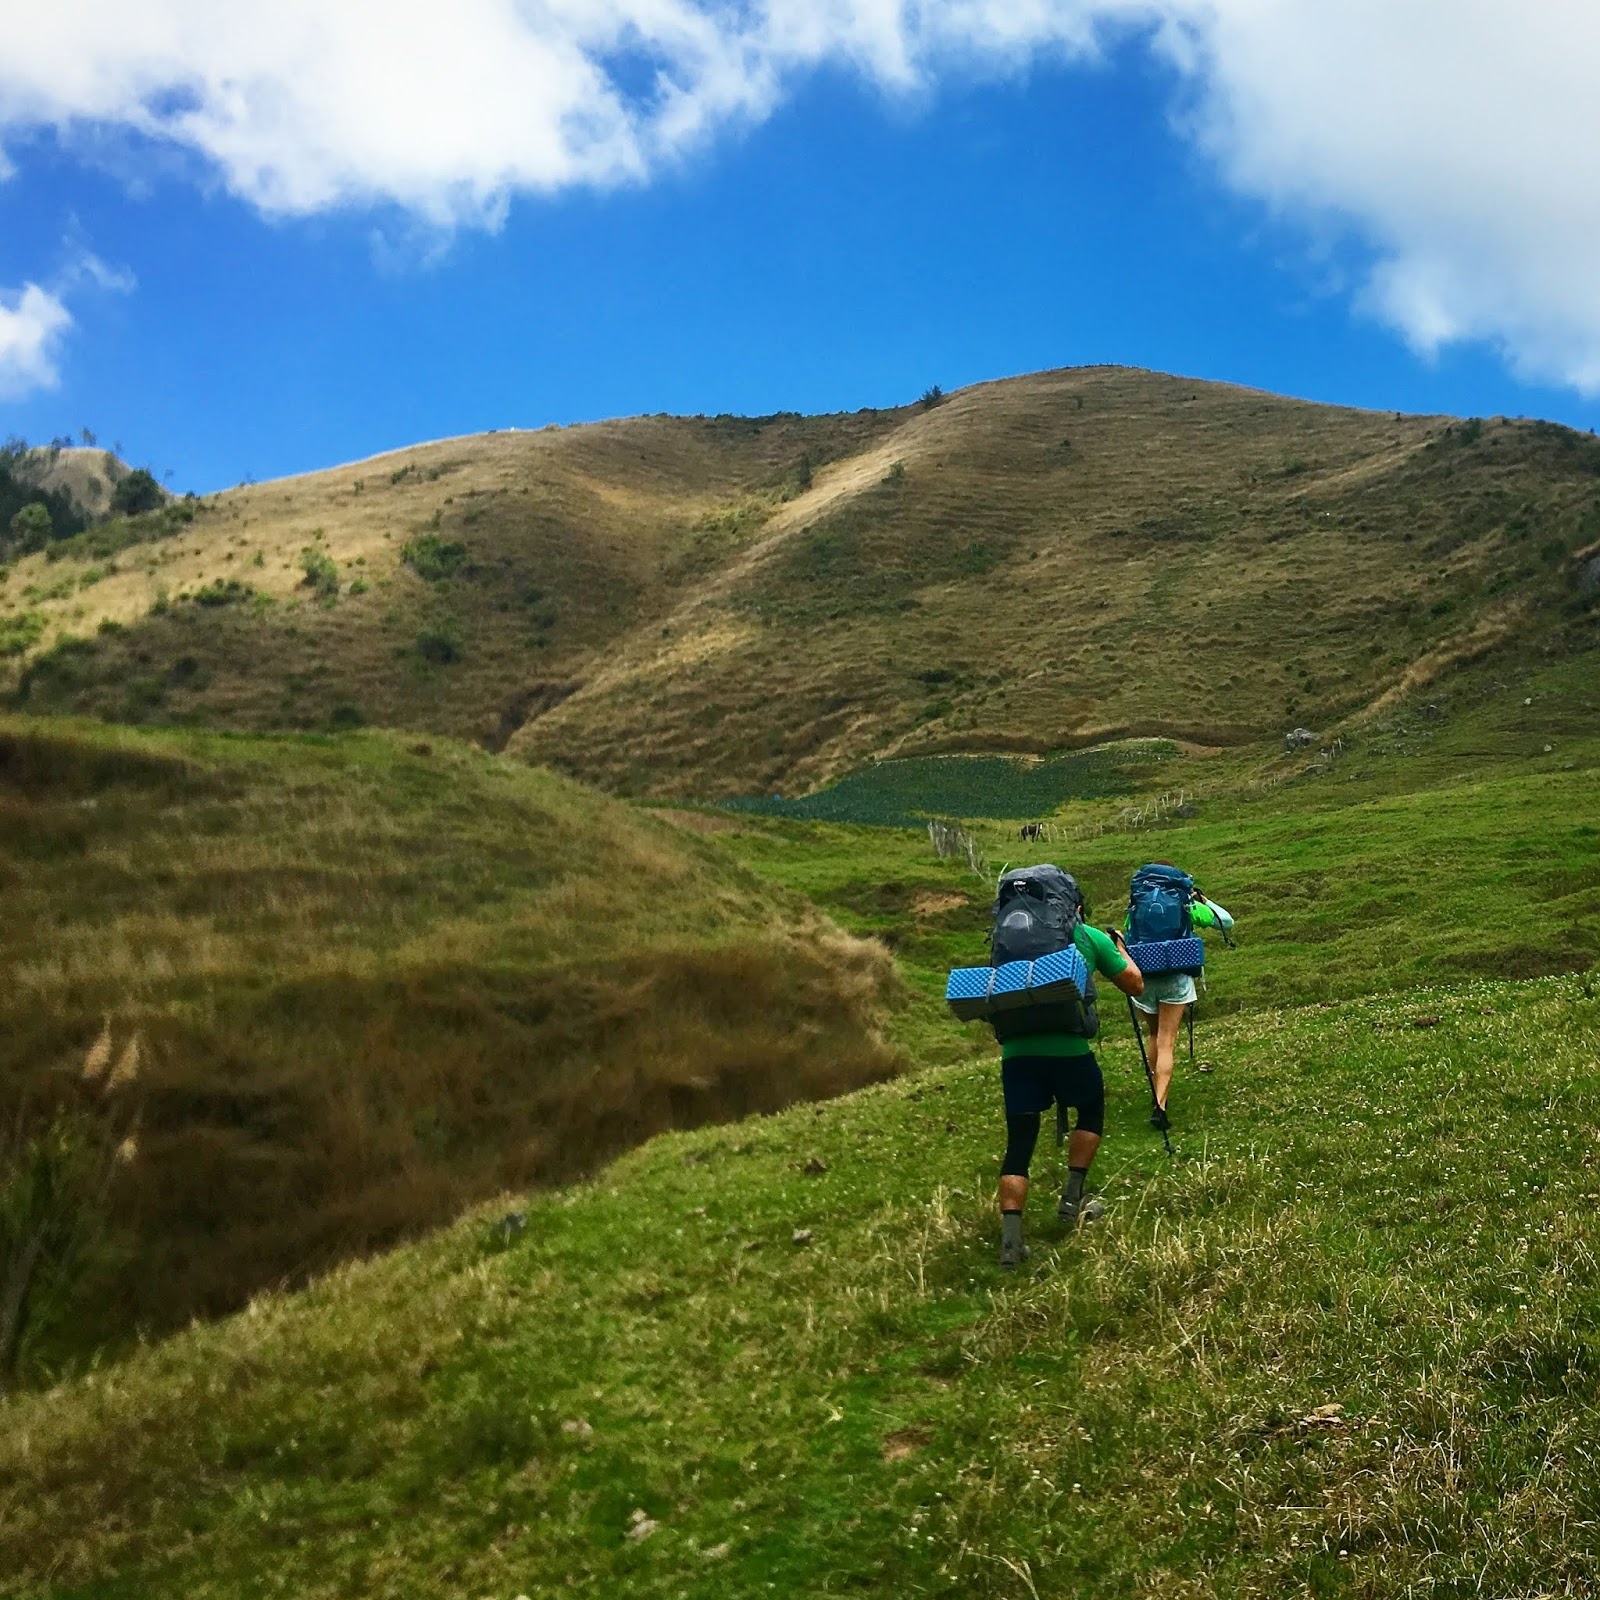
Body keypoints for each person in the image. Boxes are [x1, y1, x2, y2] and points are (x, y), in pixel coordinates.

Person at [997, 914, 1144, 1269]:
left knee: (1019, 1144)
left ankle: (1011, 1244)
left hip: (1016, 1053)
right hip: (1069, 1051)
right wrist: (1121, 947)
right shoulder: (1086, 936)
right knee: (1091, 1109)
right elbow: (1135, 984)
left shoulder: (1006, 940)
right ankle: (1072, 1198)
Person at [1127, 868, 1235, 1130]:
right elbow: (1226, 921)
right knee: (1167, 1041)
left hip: (1145, 977)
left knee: (1154, 1035)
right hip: (1176, 977)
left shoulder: (1138, 903)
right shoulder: (1185, 903)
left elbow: (1128, 933)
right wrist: (1204, 900)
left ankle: (1155, 1090)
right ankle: (1160, 1104)